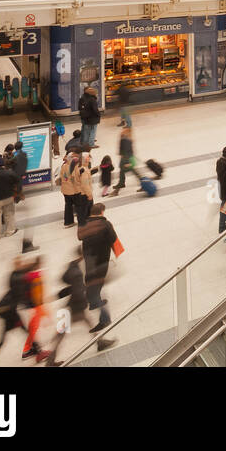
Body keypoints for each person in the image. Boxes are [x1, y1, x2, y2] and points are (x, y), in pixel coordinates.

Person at [78, 204, 117, 333]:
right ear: (101, 212)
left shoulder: (84, 223)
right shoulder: (105, 224)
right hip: (102, 260)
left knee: (91, 282)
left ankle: (95, 303)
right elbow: (113, 239)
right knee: (96, 284)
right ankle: (104, 317)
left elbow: (80, 236)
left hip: (89, 260)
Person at [112, 125, 136, 194]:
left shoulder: (127, 140)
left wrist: (128, 161)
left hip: (127, 159)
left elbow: (129, 152)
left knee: (131, 171)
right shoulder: (124, 138)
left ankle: (120, 185)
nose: (122, 131)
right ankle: (121, 184)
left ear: (127, 131)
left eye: (124, 130)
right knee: (123, 171)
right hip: (124, 158)